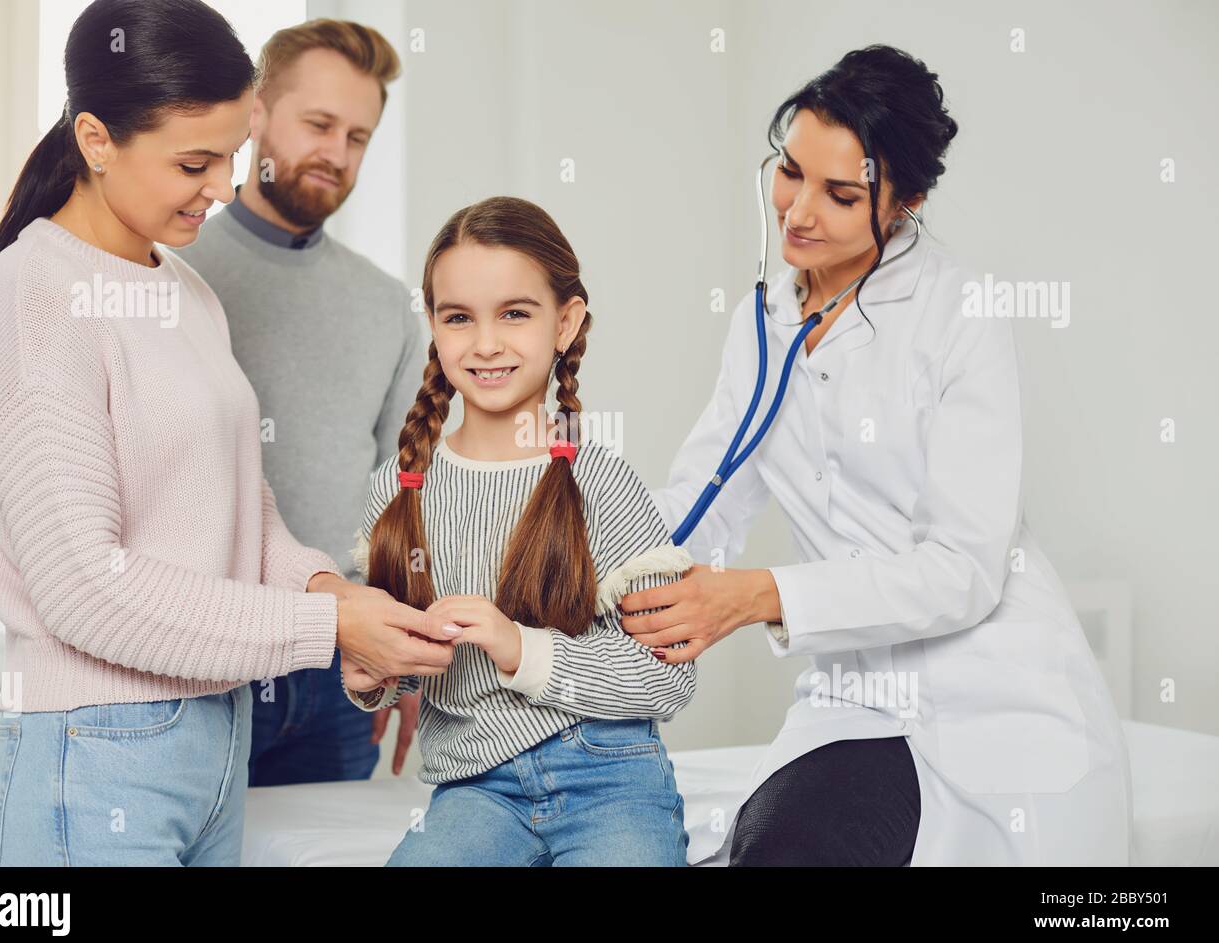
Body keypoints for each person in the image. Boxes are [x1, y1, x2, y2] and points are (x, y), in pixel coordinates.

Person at [0, 0, 452, 867]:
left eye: (230, 154)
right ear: (97, 140)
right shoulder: (33, 297)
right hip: (90, 762)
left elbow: (247, 523)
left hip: (210, 749)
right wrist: (325, 631)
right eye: (196, 161)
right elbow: (85, 592)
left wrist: (344, 597)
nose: (224, 187)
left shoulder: (186, 292)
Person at [625, 45, 1132, 865]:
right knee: (776, 849)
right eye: (789, 172)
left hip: (997, 690)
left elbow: (963, 568)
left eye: (841, 194)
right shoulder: (762, 324)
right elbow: (699, 503)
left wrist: (759, 596)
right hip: (855, 699)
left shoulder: (960, 314)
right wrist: (582, 563)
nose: (797, 212)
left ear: (905, 202)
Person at [344, 197, 697, 866]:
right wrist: (371, 676)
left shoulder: (605, 483)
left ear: (565, 323)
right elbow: (400, 669)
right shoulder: (396, 490)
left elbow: (667, 677)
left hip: (612, 780)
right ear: (433, 326)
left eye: (514, 313)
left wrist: (521, 650)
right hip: (472, 789)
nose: (485, 343)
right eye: (458, 318)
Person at [176, 19, 424, 785]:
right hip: (201, 660)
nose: (337, 154)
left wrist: (403, 652)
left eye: (358, 136)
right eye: (318, 124)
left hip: (339, 673)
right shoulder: (174, 274)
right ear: (255, 116)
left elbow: (406, 492)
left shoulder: (388, 306)